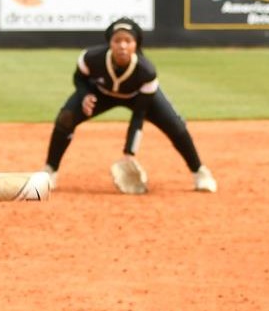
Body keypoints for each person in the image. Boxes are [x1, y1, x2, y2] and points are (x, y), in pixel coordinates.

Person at [42, 18, 216, 195]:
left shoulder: (146, 71)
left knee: (176, 126)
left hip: (138, 97)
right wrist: (85, 94)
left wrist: (129, 153)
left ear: (136, 44)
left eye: (128, 41)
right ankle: (50, 171)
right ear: (110, 43)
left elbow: (139, 115)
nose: (122, 46)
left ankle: (200, 172)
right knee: (66, 118)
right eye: (117, 40)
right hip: (101, 93)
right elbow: (79, 78)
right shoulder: (92, 57)